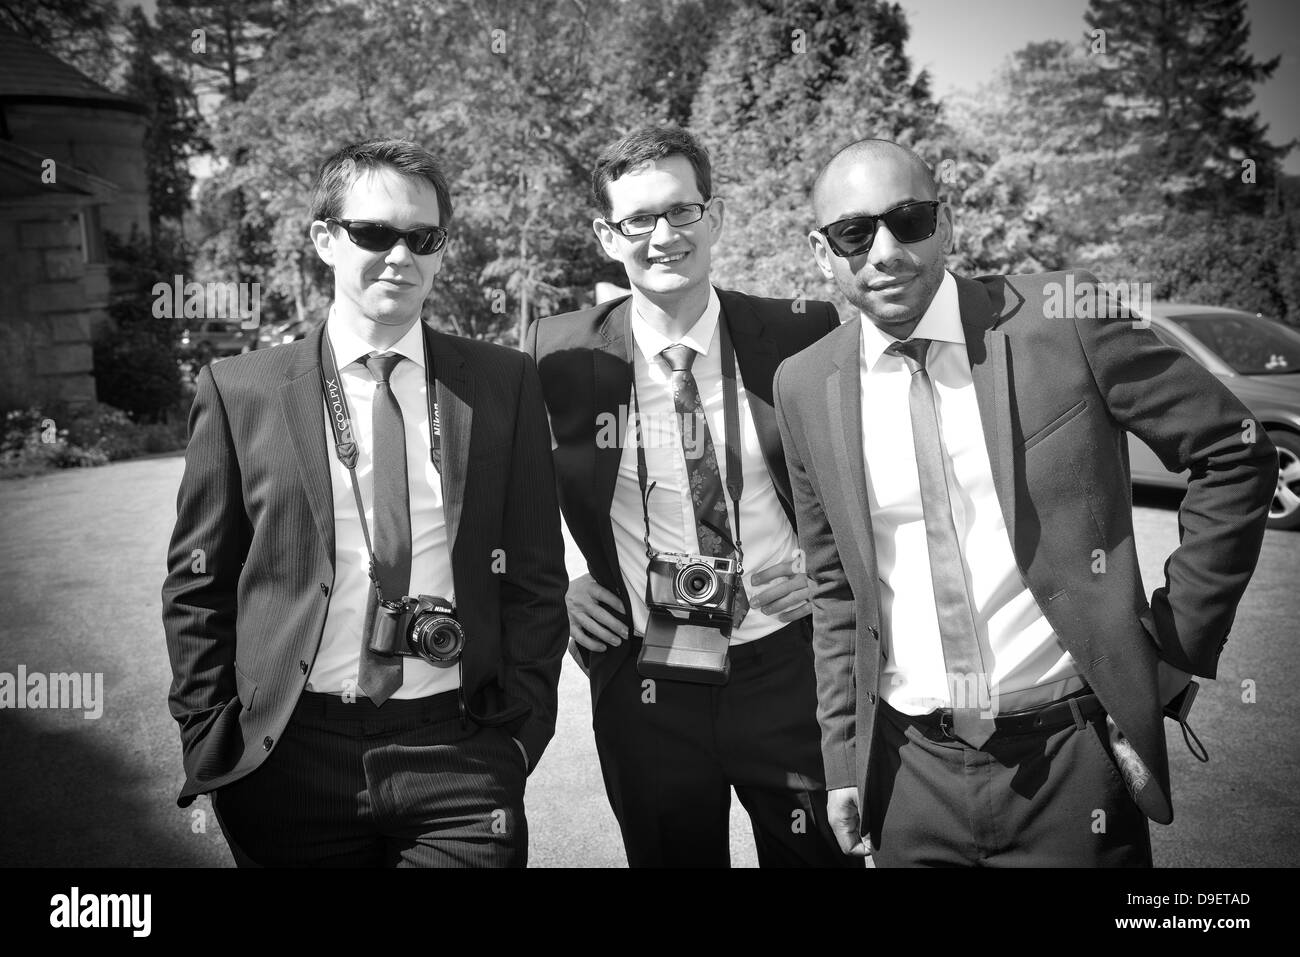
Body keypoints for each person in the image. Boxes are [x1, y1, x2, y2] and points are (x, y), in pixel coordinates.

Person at [774, 138, 1278, 867]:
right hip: (908, 773)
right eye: (854, 233)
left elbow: (1233, 450)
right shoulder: (803, 383)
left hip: (1072, 764)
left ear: (946, 224)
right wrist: (844, 758)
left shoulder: (1063, 318)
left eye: (908, 220)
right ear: (822, 253)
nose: (885, 251)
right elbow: (834, 589)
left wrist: (1179, 638)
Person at [161, 138, 568, 867]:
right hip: (288, 761)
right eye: (375, 233)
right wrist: (210, 729)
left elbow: (536, 575)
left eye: (423, 238)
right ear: (325, 239)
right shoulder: (239, 389)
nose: (400, 256)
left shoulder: (504, 381)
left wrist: (521, 733)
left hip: (462, 755)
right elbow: (198, 584)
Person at [526, 126, 852, 867]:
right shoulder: (560, 353)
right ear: (607, 236)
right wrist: (561, 586)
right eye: (639, 219)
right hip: (645, 678)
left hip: (787, 660)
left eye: (682, 210)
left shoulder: (800, 329)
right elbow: (504, 491)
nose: (664, 236)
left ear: (716, 216)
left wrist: (827, 567)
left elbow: (860, 477)